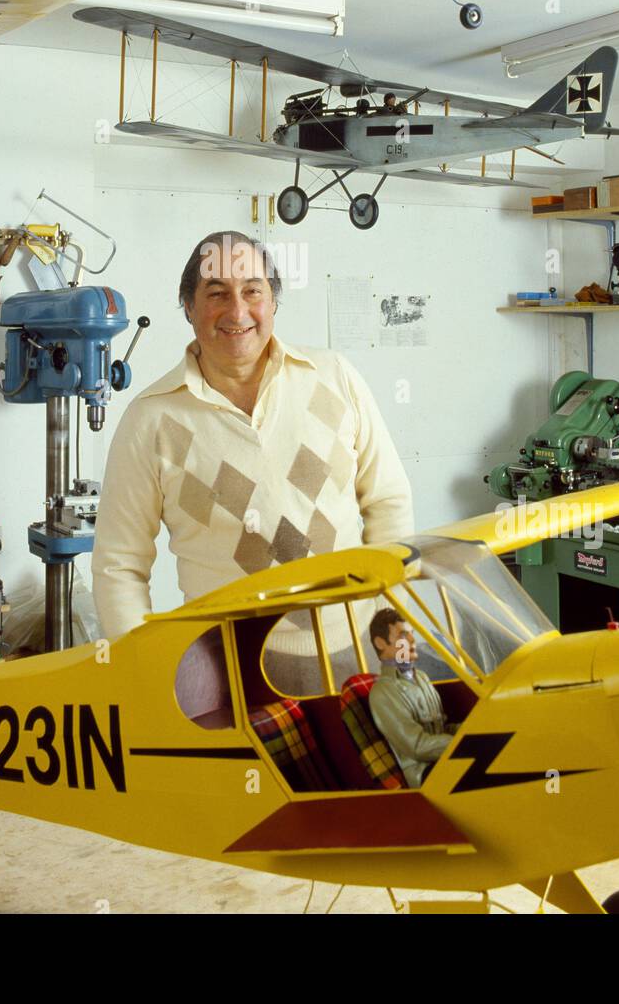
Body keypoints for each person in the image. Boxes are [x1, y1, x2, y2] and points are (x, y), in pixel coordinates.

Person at [92, 230, 413, 689]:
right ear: (188, 305)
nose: (237, 311)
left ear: (274, 302)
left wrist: (394, 633)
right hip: (226, 670)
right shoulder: (152, 420)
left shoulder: (334, 377)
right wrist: (148, 672)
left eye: (252, 291)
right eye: (216, 293)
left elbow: (389, 504)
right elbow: (119, 564)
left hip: (358, 648)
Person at [366, 607, 459, 787]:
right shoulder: (383, 692)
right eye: (403, 635)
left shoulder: (421, 677)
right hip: (424, 773)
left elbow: (443, 727)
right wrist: (463, 744)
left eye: (412, 634)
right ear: (380, 643)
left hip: (445, 760)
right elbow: (417, 747)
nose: (412, 640)